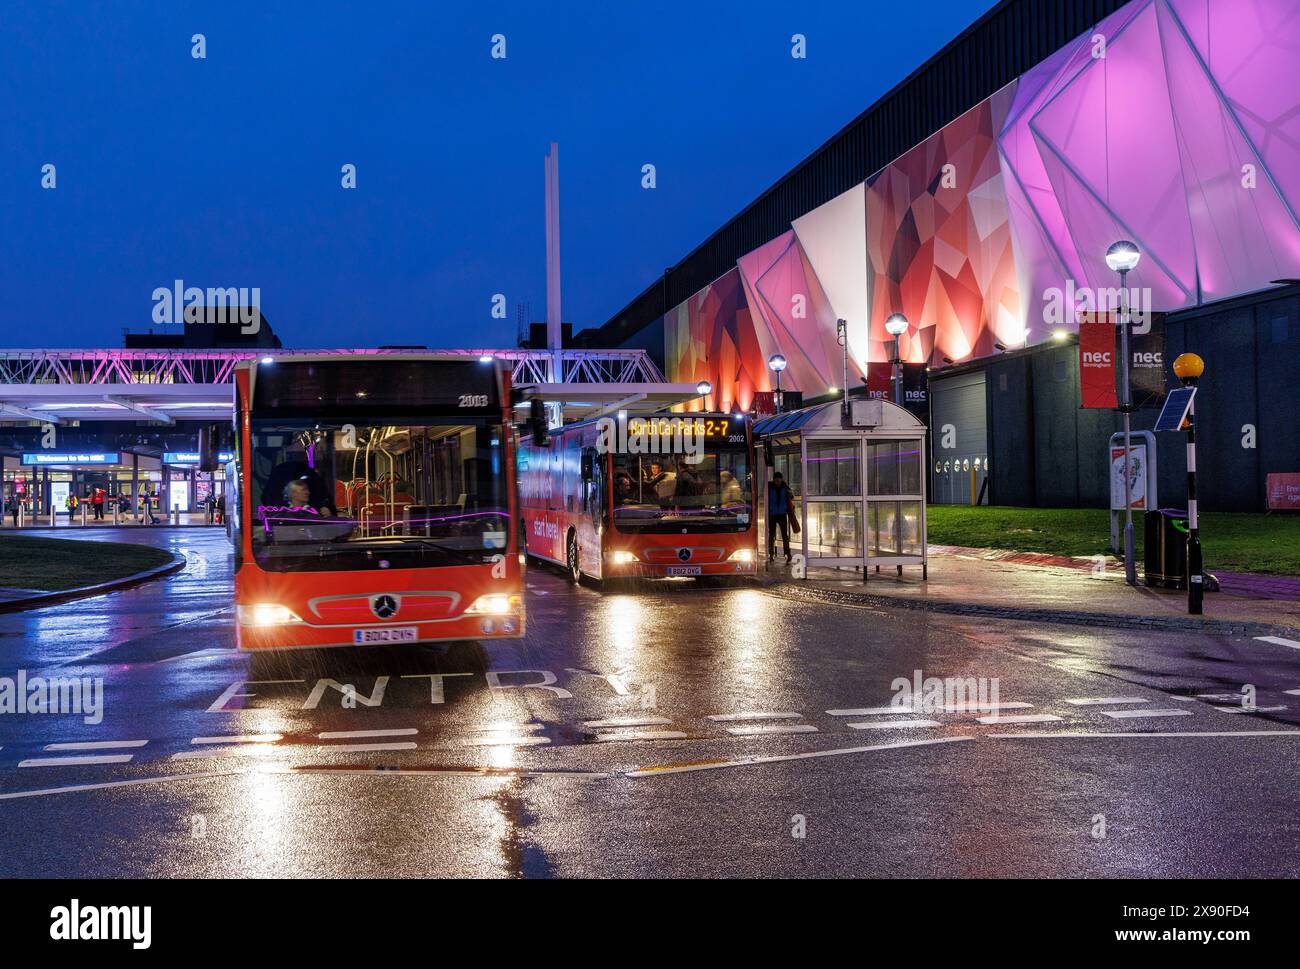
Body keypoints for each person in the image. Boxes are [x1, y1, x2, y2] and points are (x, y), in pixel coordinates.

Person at [767, 471, 794, 563]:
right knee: (771, 534)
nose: (778, 481)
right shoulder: (769, 487)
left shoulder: (785, 487)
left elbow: (791, 497)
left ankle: (787, 553)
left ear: (781, 479)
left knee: (784, 535)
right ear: (774, 479)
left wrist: (790, 494)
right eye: (776, 479)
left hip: (782, 514)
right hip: (772, 514)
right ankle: (771, 553)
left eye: (779, 479)